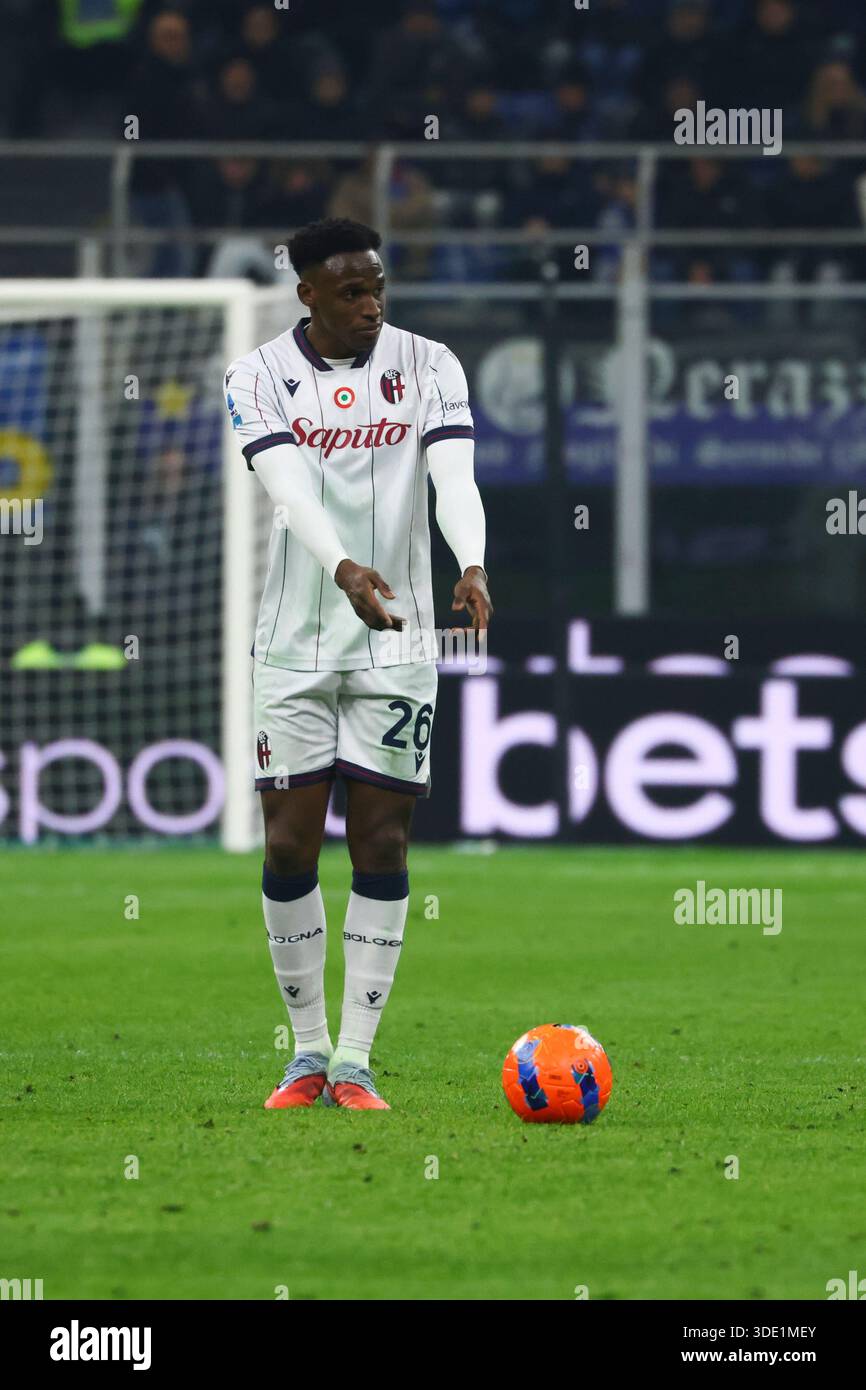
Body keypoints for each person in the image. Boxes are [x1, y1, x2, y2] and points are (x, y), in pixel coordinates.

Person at [222, 217, 492, 1110]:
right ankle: (304, 1053)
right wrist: (341, 567)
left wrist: (472, 560)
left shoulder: (430, 364)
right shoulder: (255, 376)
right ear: (307, 294)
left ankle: (354, 1062)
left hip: (400, 643)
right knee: (290, 843)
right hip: (293, 645)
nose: (370, 304)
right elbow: (288, 490)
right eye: (350, 291)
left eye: (377, 287)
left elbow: (455, 475)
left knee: (381, 840)